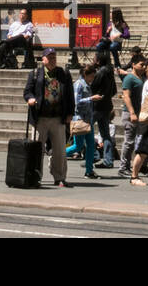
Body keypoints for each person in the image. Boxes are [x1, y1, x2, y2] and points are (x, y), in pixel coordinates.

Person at [24, 48, 74, 188]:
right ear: (43, 59)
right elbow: (27, 92)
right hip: (40, 118)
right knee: (37, 150)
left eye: (54, 57)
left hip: (58, 118)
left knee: (59, 151)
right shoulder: (35, 74)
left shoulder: (63, 73)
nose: (52, 59)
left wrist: (70, 112)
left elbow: (70, 94)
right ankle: (34, 175)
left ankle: (60, 177)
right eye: (49, 57)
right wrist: (30, 99)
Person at [115, 53, 148, 178]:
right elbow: (126, 96)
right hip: (131, 114)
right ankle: (123, 167)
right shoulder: (129, 78)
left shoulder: (142, 78)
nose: (144, 67)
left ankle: (139, 166)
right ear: (133, 65)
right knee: (129, 142)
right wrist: (132, 112)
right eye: (141, 64)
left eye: (144, 64)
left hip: (141, 114)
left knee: (139, 141)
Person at [71, 62, 100, 179]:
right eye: (92, 76)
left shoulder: (86, 85)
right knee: (77, 146)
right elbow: (76, 102)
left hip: (88, 120)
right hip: (80, 119)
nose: (93, 78)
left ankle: (89, 171)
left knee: (91, 145)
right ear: (85, 74)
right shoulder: (79, 84)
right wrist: (91, 98)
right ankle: (57, 155)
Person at [89, 51, 116, 168]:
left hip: (96, 106)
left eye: (95, 58)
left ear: (98, 60)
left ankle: (93, 156)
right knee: (106, 135)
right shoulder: (110, 72)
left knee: (85, 130)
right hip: (106, 106)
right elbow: (114, 90)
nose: (93, 60)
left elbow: (92, 87)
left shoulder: (100, 73)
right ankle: (108, 160)